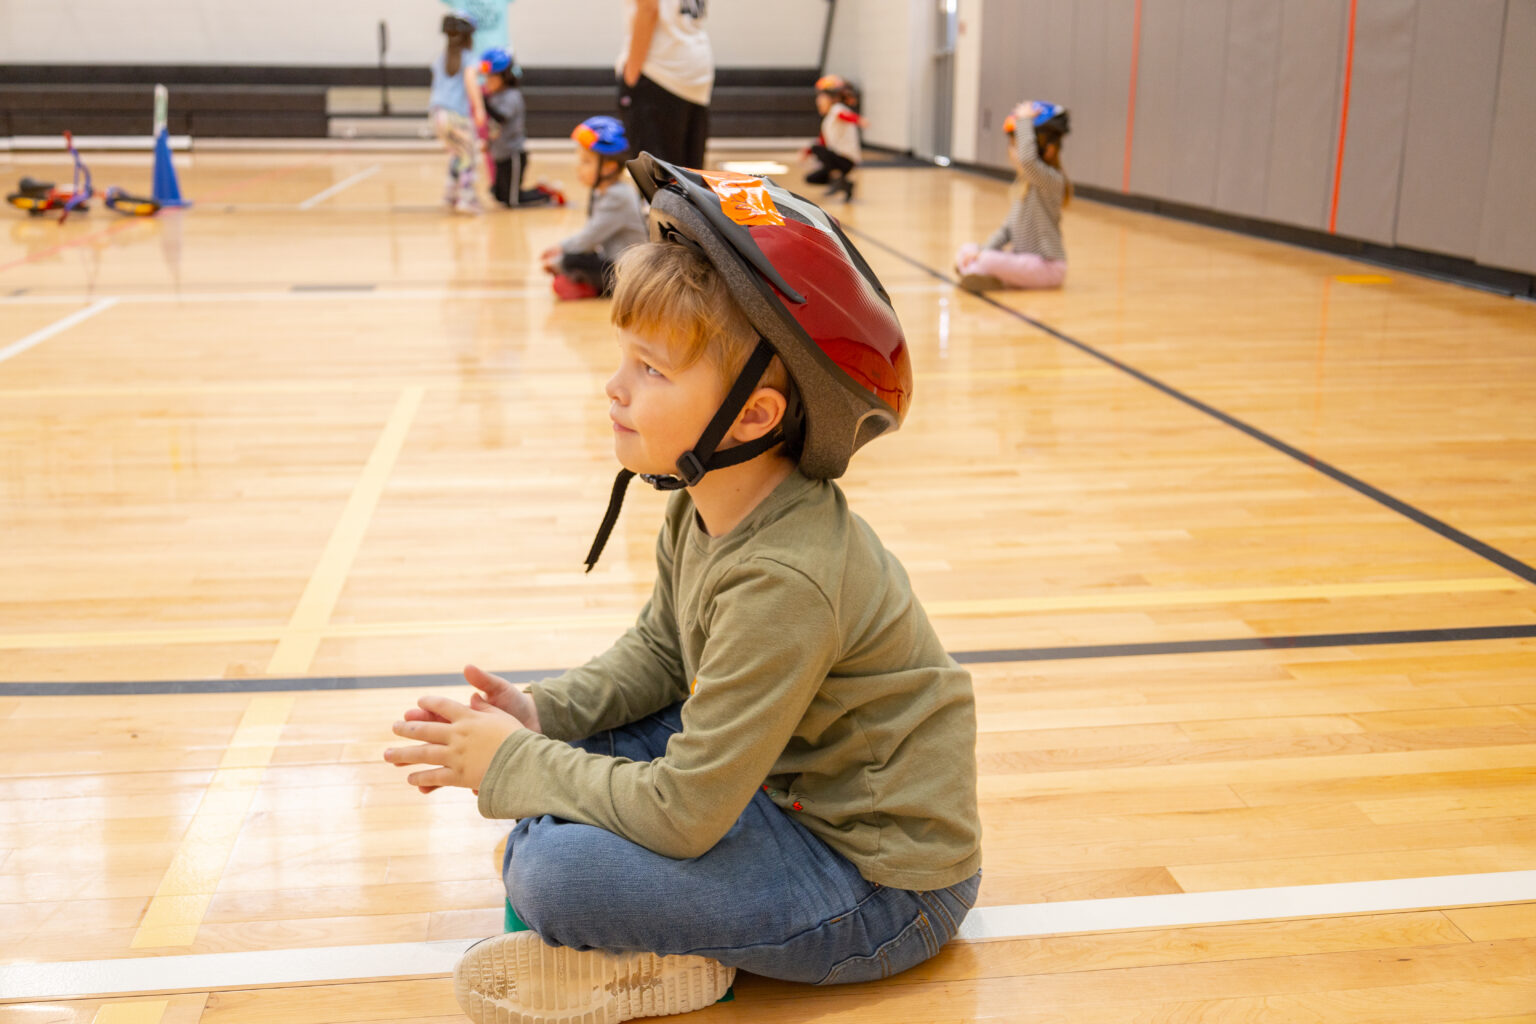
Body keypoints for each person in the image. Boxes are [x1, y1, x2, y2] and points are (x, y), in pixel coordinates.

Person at [384, 155, 982, 1024]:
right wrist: (544, 718)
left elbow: (687, 812)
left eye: (652, 371)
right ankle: (639, 884)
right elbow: (662, 653)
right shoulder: (706, 502)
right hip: (782, 784)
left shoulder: (784, 577)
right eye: (623, 359)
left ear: (753, 417)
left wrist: (518, 767)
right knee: (586, 762)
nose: (615, 388)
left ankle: (680, 953)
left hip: (881, 886)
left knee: (553, 872)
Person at [955, 100, 1072, 292]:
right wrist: (980, 251)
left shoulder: (1052, 181)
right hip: (1024, 261)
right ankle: (980, 272)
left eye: (1018, 145)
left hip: (1048, 267)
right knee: (968, 250)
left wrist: (1024, 121)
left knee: (986, 259)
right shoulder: (1024, 186)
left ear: (1049, 151)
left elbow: (1028, 161)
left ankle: (979, 271)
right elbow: (1005, 232)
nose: (1012, 151)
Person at [537, 116, 647, 300]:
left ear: (609, 167)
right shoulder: (603, 192)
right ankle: (583, 282)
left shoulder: (619, 196)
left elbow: (590, 237)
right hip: (615, 263)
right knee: (574, 260)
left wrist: (560, 252)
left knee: (572, 260)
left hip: (630, 273)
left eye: (586, 162)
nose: (579, 168)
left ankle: (588, 286)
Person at [616, 0, 713, 168]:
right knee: (689, 184)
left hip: (659, 70)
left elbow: (649, 8)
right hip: (696, 69)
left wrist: (631, 73)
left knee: (659, 186)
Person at [479, 47, 563, 209]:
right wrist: (488, 143)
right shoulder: (495, 96)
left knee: (513, 201)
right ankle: (539, 189)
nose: (487, 82)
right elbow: (494, 127)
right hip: (500, 154)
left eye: (491, 77)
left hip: (513, 155)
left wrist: (484, 103)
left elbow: (501, 118)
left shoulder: (512, 96)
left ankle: (547, 195)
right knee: (499, 196)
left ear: (504, 77)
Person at [430, 10, 489, 214]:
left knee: (457, 154)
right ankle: (467, 197)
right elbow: (471, 81)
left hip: (437, 114)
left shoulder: (440, 59)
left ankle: (450, 194)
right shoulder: (469, 58)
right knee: (469, 155)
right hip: (456, 115)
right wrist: (479, 108)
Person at [804, 74, 862, 201]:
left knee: (817, 148)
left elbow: (846, 116)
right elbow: (822, 141)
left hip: (846, 159)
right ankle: (845, 184)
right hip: (838, 159)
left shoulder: (837, 109)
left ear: (830, 98)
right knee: (811, 178)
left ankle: (837, 179)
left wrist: (859, 120)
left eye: (821, 97)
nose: (818, 100)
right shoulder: (828, 119)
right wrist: (806, 153)